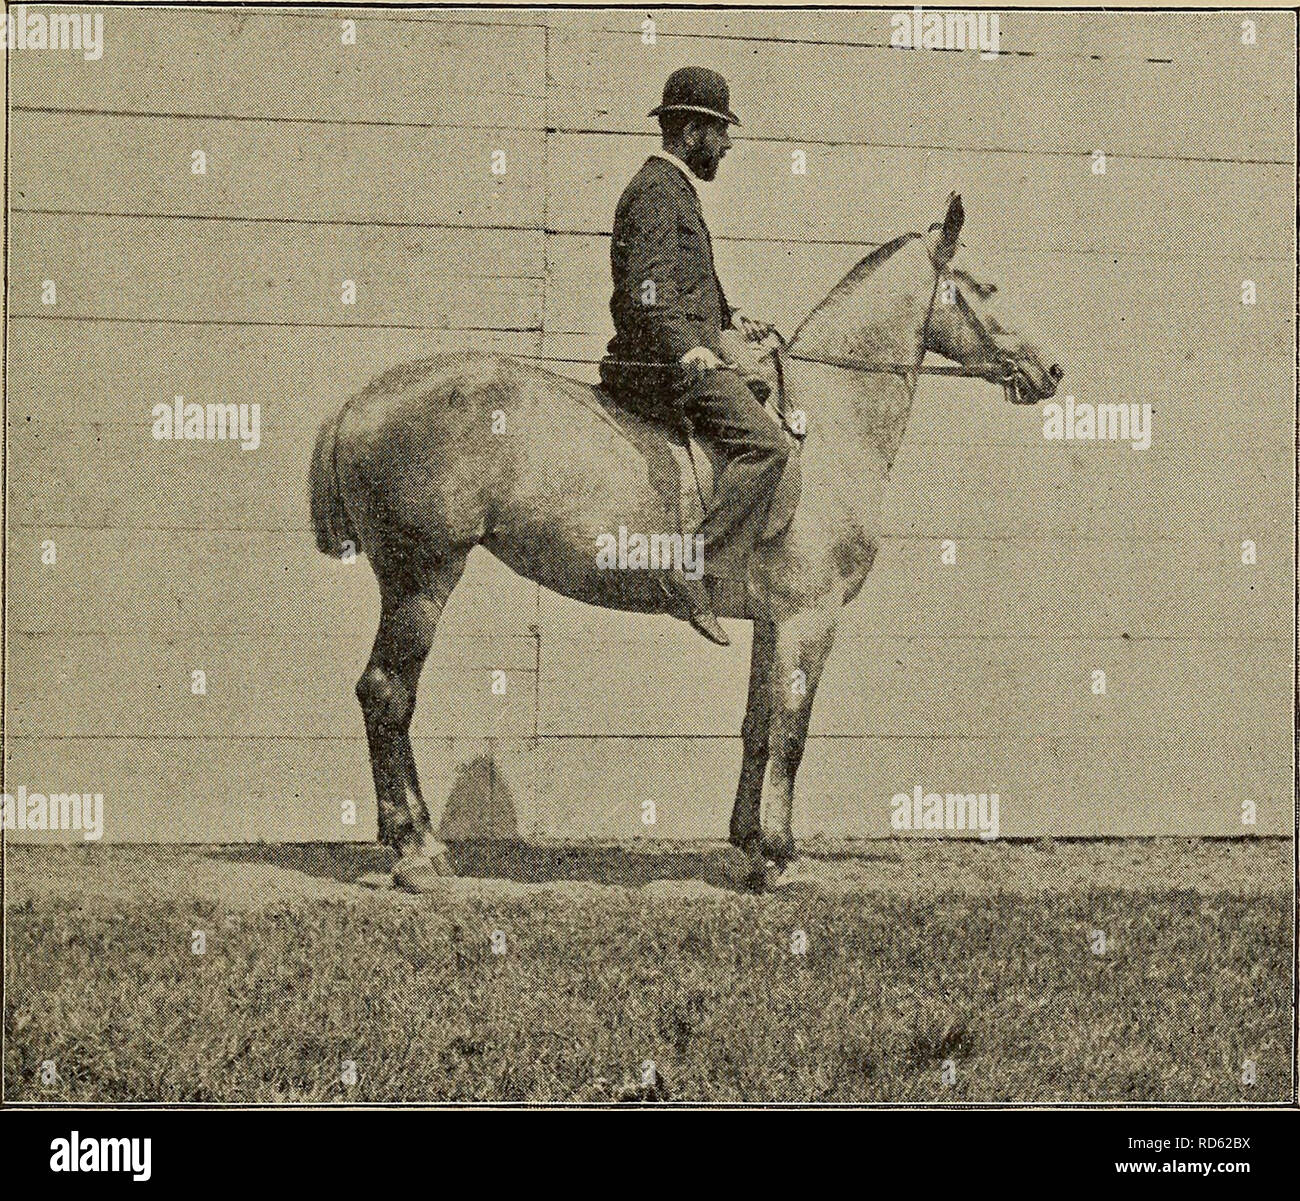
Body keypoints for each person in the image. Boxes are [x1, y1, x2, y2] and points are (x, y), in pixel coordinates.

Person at [600, 67, 790, 647]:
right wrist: (692, 350)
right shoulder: (658, 192)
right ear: (690, 132)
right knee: (768, 445)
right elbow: (647, 292)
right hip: (662, 366)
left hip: (681, 351)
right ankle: (693, 566)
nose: (727, 145)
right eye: (720, 131)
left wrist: (732, 319)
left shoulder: (672, 188)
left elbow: (687, 281)